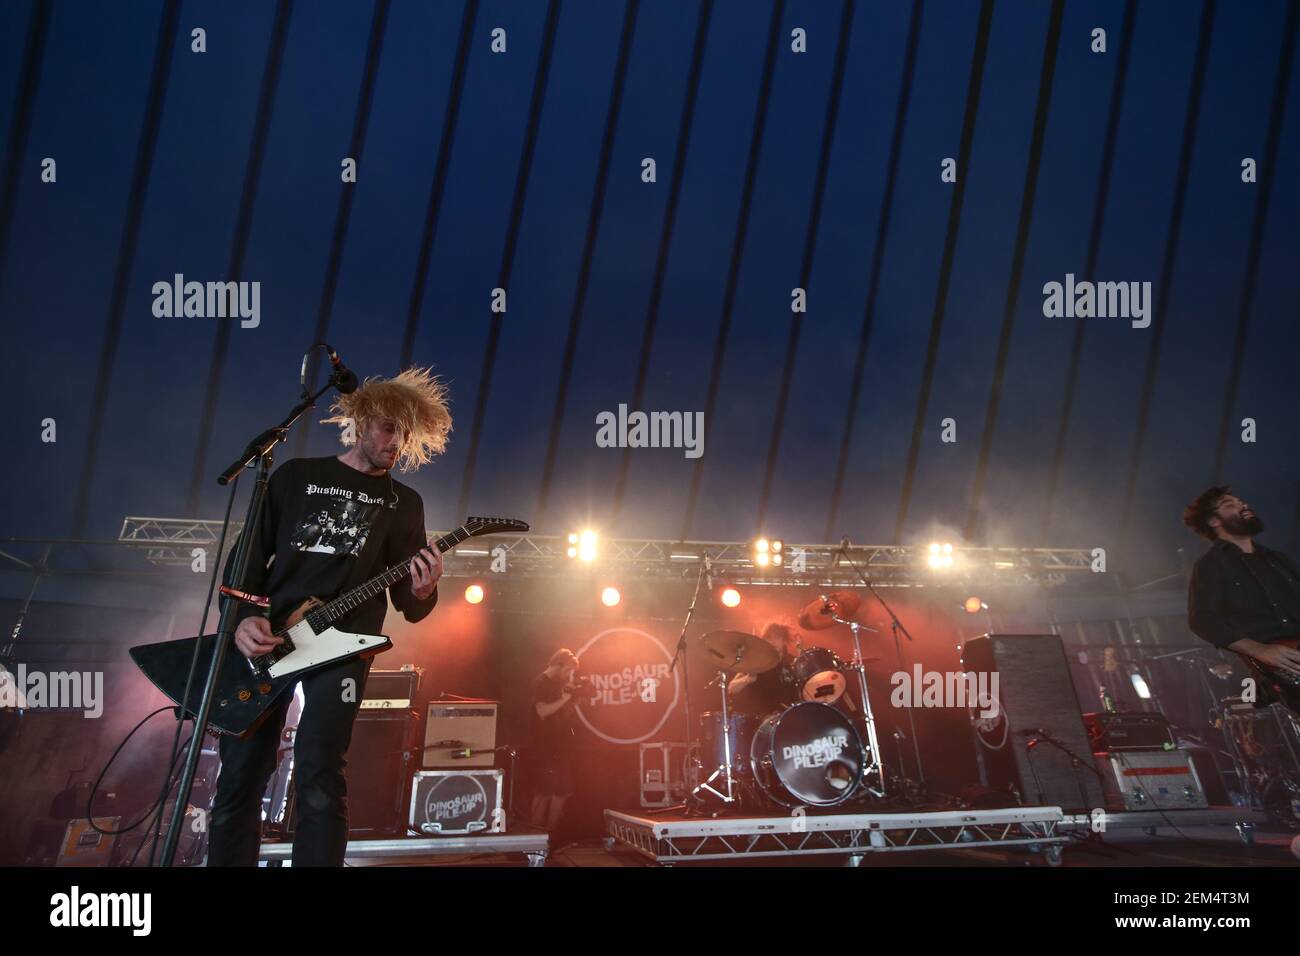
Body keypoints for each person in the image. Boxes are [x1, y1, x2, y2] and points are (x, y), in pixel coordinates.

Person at [207, 367, 453, 866]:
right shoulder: (296, 476)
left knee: (320, 770)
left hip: (346, 644)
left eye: (405, 434)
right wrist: (241, 623)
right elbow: (246, 562)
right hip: (271, 640)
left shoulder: (405, 503)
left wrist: (425, 588)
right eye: (388, 427)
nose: (396, 442)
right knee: (240, 777)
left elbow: (411, 602)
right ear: (360, 422)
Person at [1183, 486, 1300, 684]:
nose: (1243, 505)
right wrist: (1259, 650)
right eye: (1230, 504)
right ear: (1214, 521)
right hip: (1280, 666)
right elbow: (1202, 619)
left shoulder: (1278, 559)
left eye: (1242, 502)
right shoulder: (1210, 565)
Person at [531, 648, 582, 831]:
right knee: (544, 792)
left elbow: (561, 714)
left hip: (559, 745)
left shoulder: (558, 685)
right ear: (559, 665)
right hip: (544, 745)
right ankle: (535, 834)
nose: (569, 675)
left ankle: (550, 833)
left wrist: (573, 702)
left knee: (563, 790)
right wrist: (567, 697)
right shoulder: (541, 683)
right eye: (568, 670)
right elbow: (542, 711)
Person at [727, 623, 801, 716]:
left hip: (788, 716)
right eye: (769, 638)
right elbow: (732, 688)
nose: (773, 642)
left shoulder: (792, 662)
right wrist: (747, 679)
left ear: (784, 640)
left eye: (777, 638)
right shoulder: (757, 662)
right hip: (762, 718)